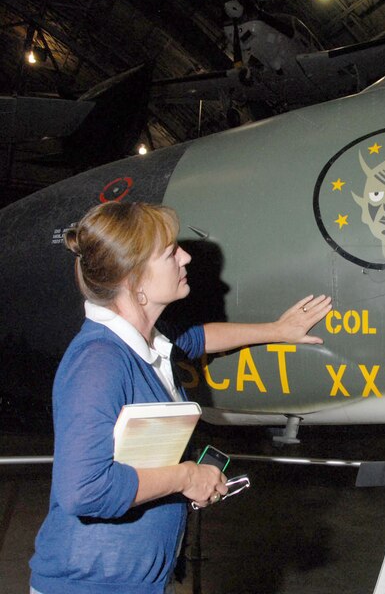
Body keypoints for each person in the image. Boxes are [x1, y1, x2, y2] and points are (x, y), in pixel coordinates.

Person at [29, 201, 332, 594]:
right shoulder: (99, 362)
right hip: (91, 583)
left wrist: (278, 330)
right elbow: (85, 490)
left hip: (134, 580)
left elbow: (200, 337)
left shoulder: (150, 341)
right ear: (135, 280)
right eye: (170, 252)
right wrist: (186, 477)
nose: (185, 257)